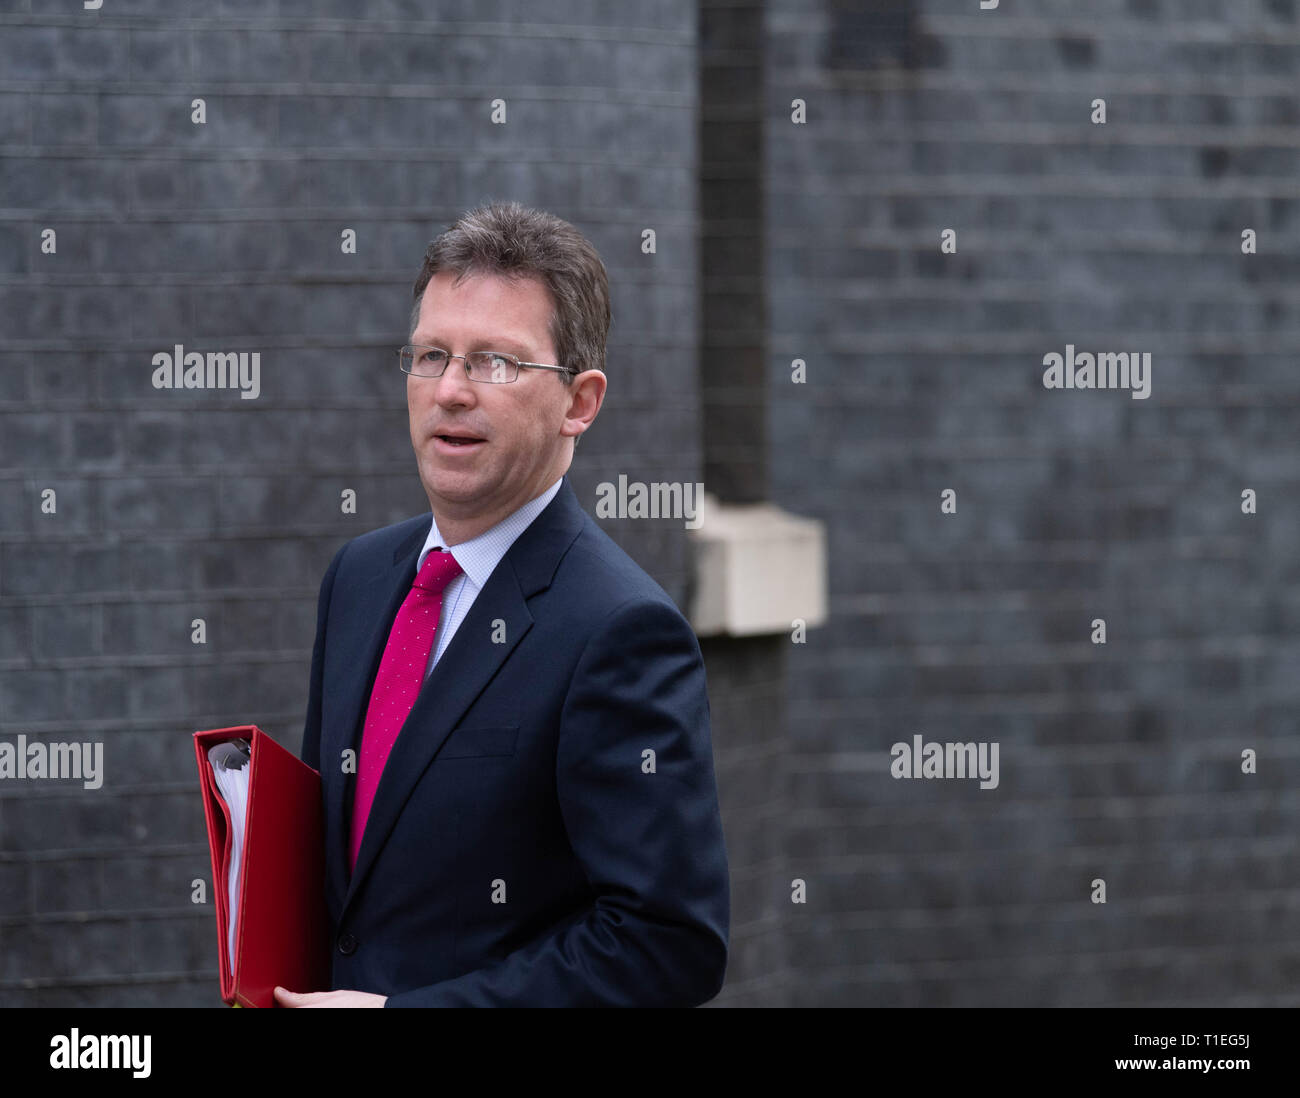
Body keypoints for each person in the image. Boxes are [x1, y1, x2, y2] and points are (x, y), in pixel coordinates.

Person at [274, 201, 730, 1007]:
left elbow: (666, 945)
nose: (450, 391)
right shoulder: (359, 576)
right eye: (431, 355)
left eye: (494, 363)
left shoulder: (621, 631)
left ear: (580, 402)